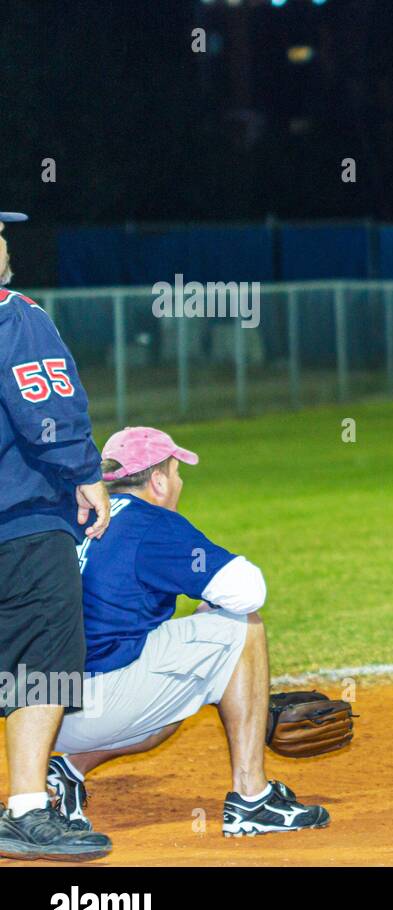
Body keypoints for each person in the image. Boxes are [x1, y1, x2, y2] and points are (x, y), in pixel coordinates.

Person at [45, 426, 330, 838]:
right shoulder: (151, 523)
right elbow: (250, 589)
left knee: (185, 685)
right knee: (241, 625)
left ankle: (68, 767)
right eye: (176, 472)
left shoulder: (77, 515)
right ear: (158, 480)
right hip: (96, 703)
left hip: (41, 709)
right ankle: (252, 799)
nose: (179, 483)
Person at [0, 210, 114, 862]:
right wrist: (84, 472)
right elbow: (47, 407)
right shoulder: (16, 314)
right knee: (40, 661)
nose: (5, 244)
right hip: (22, 521)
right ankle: (26, 807)